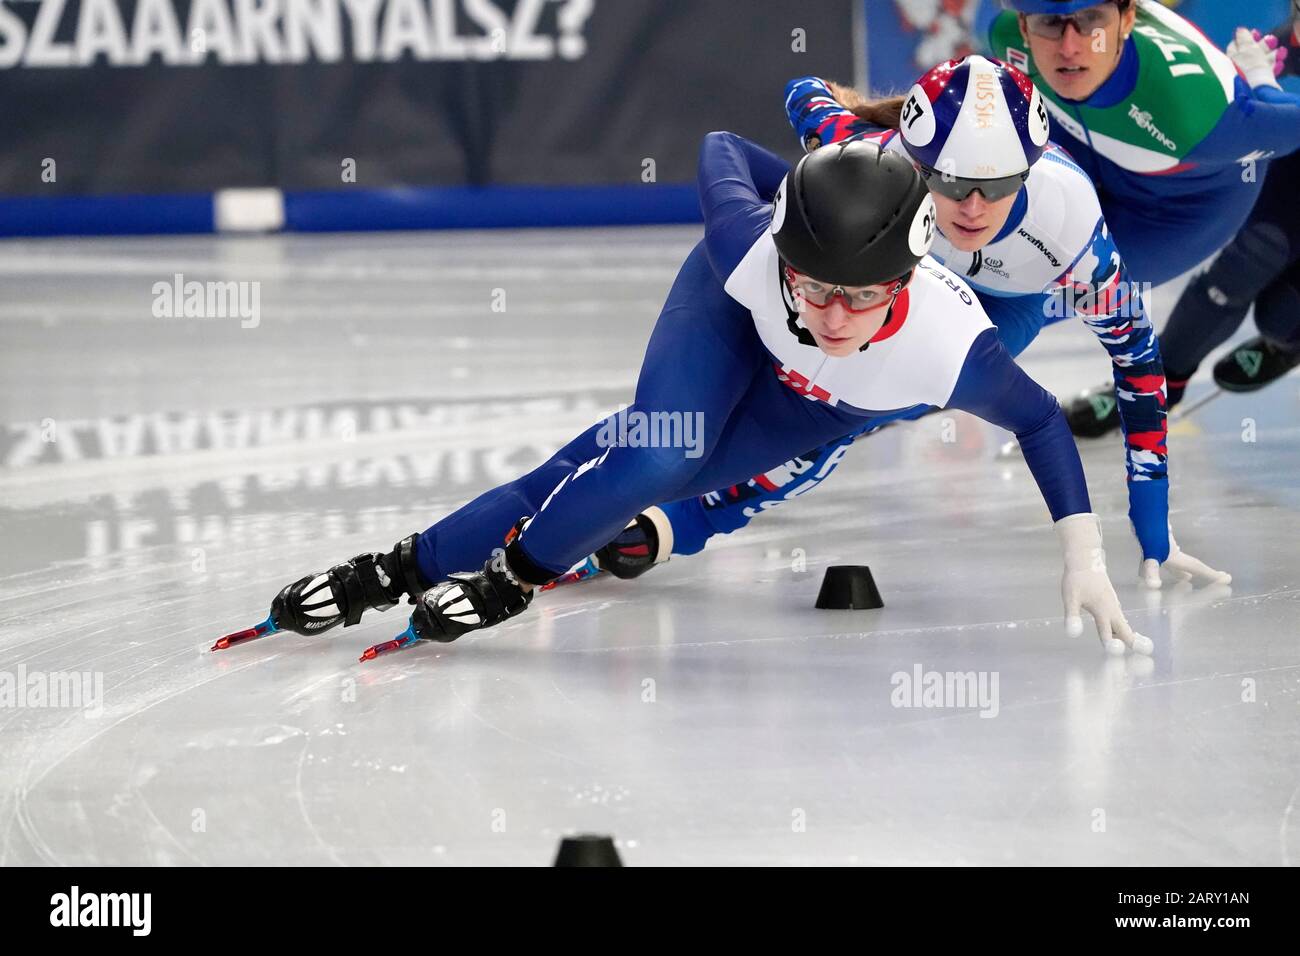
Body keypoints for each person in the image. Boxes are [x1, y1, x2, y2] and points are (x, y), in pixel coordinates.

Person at [244, 132, 1153, 656]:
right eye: (818, 286)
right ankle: (486, 576)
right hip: (727, 318)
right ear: (783, 255)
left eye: (865, 295)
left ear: (906, 280)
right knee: (657, 455)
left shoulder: (952, 351)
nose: (836, 316)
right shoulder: (747, 247)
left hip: (818, 403)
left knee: (625, 469)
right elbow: (722, 147)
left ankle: (424, 564)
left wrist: (1085, 556)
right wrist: (812, 171)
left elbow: (1040, 423)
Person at [554, 55, 1228, 593]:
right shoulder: (875, 152)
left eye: (996, 187)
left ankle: (669, 524)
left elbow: (1140, 369)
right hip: (895, 262)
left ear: (1027, 176)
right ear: (915, 159)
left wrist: (1153, 526)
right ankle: (619, 492)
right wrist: (851, 108)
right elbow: (804, 91)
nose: (970, 206)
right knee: (793, 350)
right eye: (947, 178)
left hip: (1009, 299)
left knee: (853, 405)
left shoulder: (1076, 235)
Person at [985, 0, 1300, 434]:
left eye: (1089, 21)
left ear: (1128, 18)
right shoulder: (1007, 37)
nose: (1069, 46)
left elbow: (1282, 130)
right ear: (1023, 23)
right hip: (1107, 148)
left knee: (1032, 292)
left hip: (1182, 208)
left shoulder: (1198, 117)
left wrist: (1263, 85)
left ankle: (1164, 382)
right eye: (1050, 24)